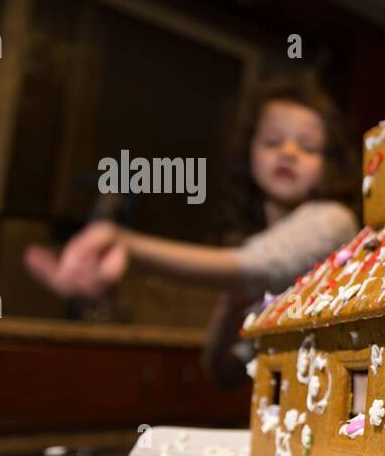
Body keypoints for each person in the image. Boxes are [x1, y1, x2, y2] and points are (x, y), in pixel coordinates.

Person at [24, 77, 361, 387]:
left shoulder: (334, 220)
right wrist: (233, 308)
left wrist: (125, 245)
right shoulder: (253, 248)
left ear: (329, 164)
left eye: (308, 146)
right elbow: (224, 373)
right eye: (272, 141)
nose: (288, 152)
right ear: (249, 154)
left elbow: (259, 265)